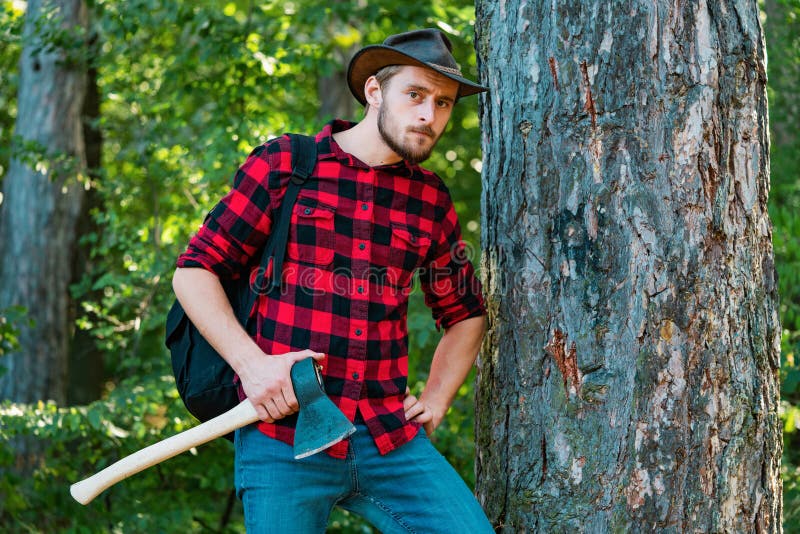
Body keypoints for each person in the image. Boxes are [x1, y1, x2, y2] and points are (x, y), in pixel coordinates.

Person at [172, 28, 493, 533]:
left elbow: (466, 315)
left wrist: (435, 399)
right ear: (374, 91)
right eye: (415, 95)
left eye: (443, 103)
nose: (429, 115)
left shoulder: (429, 199)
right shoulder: (286, 165)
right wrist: (253, 368)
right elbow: (195, 271)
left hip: (389, 438)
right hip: (282, 438)